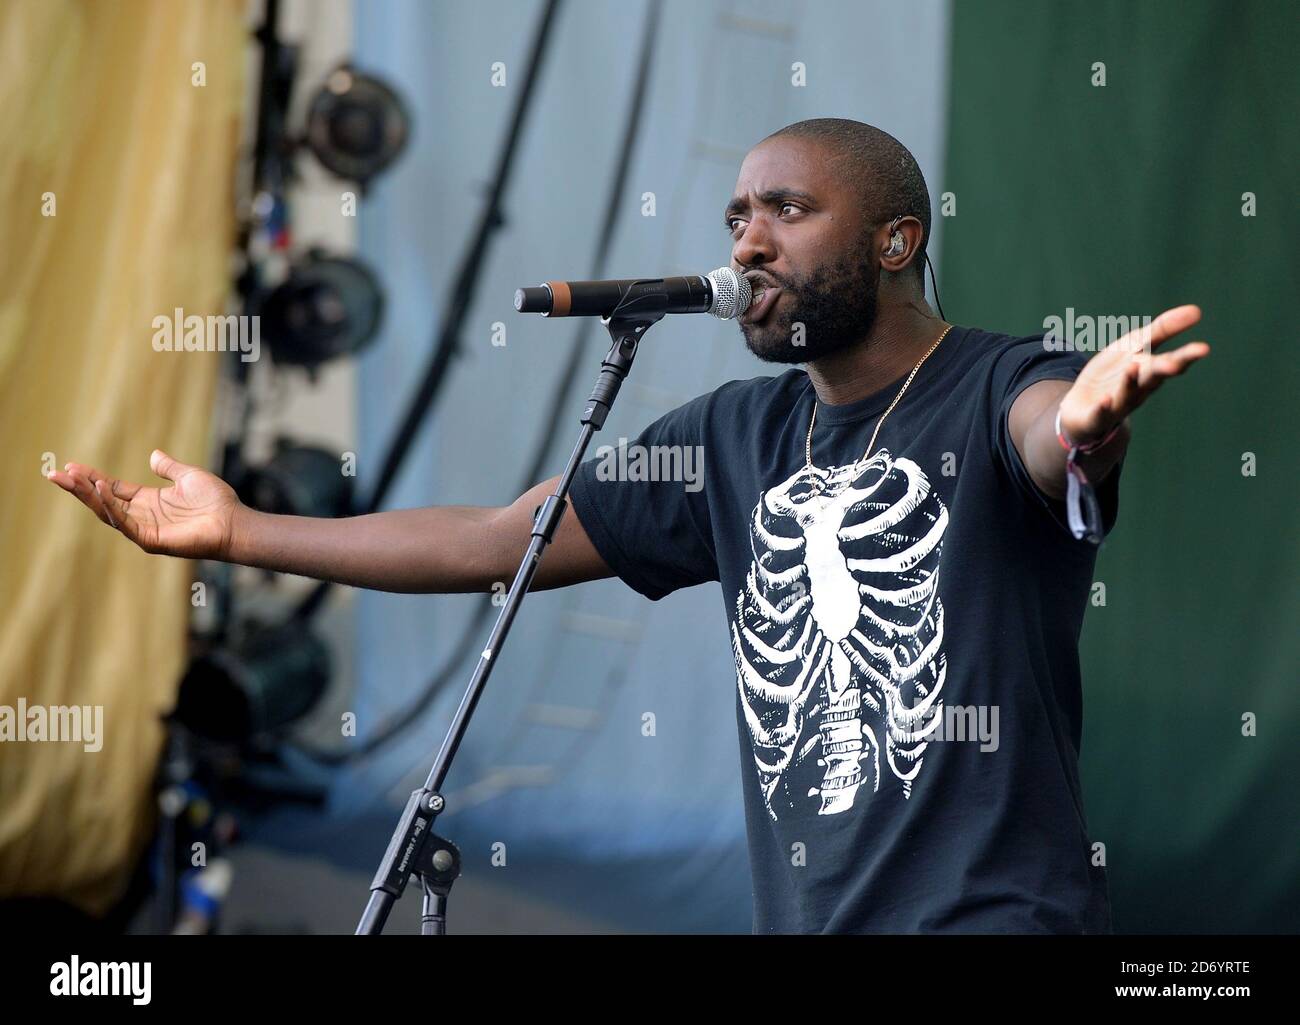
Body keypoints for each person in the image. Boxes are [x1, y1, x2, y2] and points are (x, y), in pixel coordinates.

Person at [50, 118, 1209, 934]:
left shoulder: (1003, 378)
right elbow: (496, 540)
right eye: (736, 214)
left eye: (787, 211)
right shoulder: (732, 435)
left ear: (897, 241)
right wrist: (247, 532)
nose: (746, 242)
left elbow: (1048, 432)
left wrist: (1089, 425)